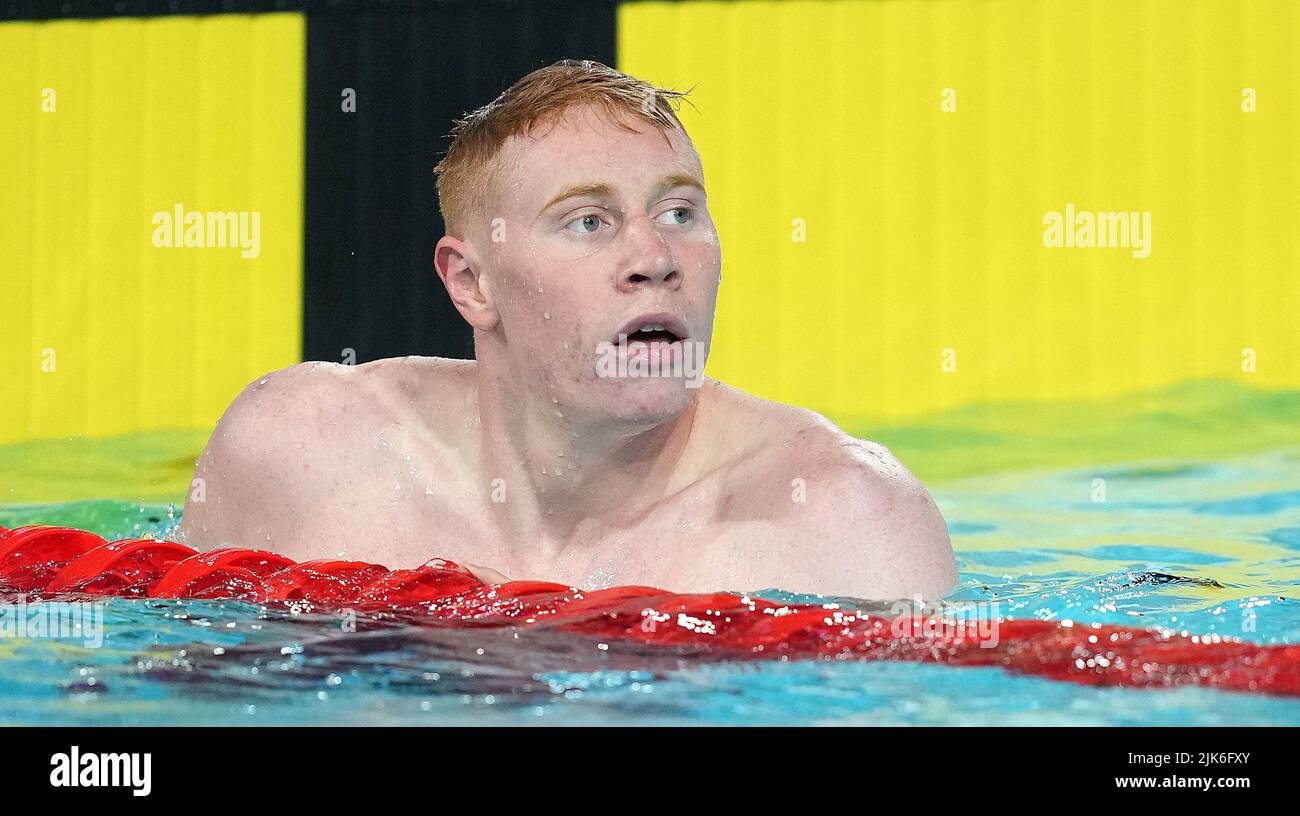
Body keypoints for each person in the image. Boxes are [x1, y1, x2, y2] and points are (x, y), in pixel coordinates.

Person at [180, 60, 958, 600]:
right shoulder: (299, 455)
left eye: (679, 212)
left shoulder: (845, 522)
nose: (653, 257)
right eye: (590, 221)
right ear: (472, 283)